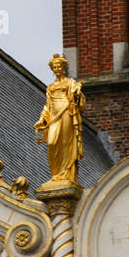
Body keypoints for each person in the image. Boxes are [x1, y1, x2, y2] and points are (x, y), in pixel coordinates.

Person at [35, 55, 84, 185]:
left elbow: (78, 101)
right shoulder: (50, 87)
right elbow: (48, 105)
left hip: (67, 112)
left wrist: (77, 94)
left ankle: (66, 175)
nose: (57, 69)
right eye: (54, 67)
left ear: (63, 67)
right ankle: (56, 174)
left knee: (65, 143)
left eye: (59, 66)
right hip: (54, 115)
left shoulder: (70, 83)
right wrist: (42, 119)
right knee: (51, 143)